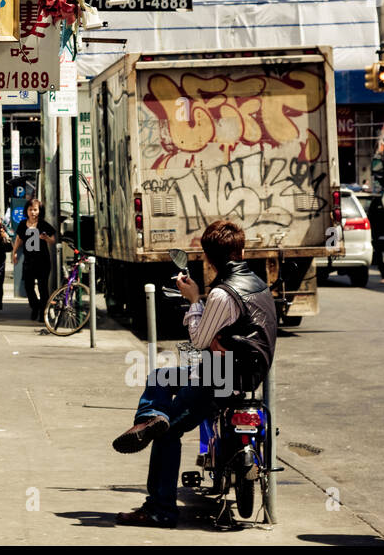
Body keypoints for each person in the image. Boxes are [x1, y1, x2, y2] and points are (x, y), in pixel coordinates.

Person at [111, 219, 278, 529]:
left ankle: (160, 508)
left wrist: (193, 301)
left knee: (168, 432)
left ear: (208, 256)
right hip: (246, 373)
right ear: (240, 249)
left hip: (223, 377)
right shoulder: (257, 282)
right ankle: (149, 417)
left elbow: (199, 340)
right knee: (161, 378)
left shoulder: (222, 294)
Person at [12, 197, 57, 322]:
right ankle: (35, 306)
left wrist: (46, 238)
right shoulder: (22, 224)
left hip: (42, 260)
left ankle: (43, 312)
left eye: (35, 210)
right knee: (28, 287)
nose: (33, 212)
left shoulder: (43, 224)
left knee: (43, 287)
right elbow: (19, 239)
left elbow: (53, 240)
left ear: (39, 211)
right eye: (30, 209)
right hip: (28, 260)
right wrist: (14, 252)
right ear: (26, 211)